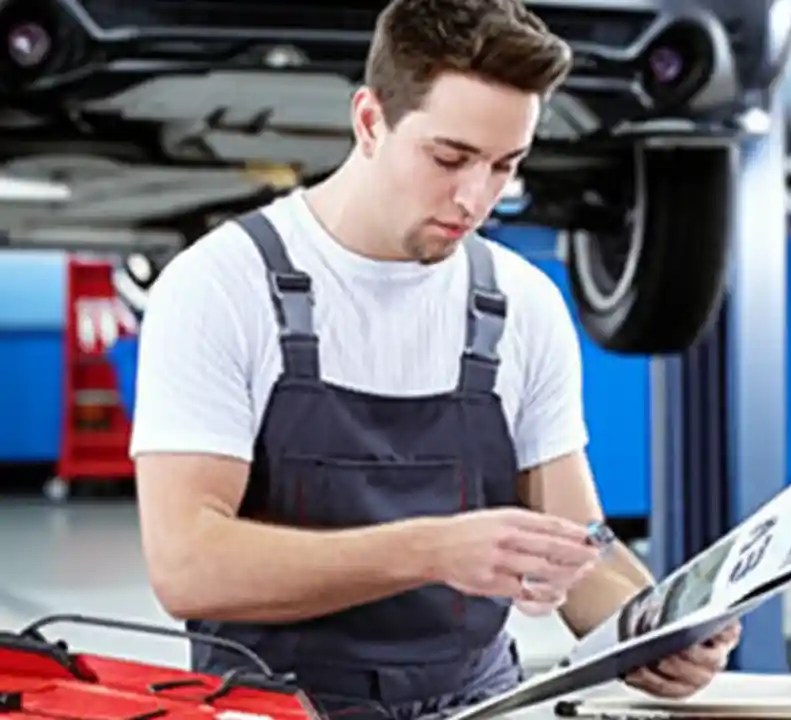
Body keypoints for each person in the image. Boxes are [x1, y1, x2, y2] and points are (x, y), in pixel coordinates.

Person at [127, 0, 739, 716]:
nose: (475, 197)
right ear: (369, 121)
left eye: (505, 165)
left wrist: (652, 627)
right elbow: (187, 566)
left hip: (478, 706)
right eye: (449, 158)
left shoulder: (521, 304)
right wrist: (431, 551)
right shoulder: (222, 287)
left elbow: (579, 551)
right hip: (275, 708)